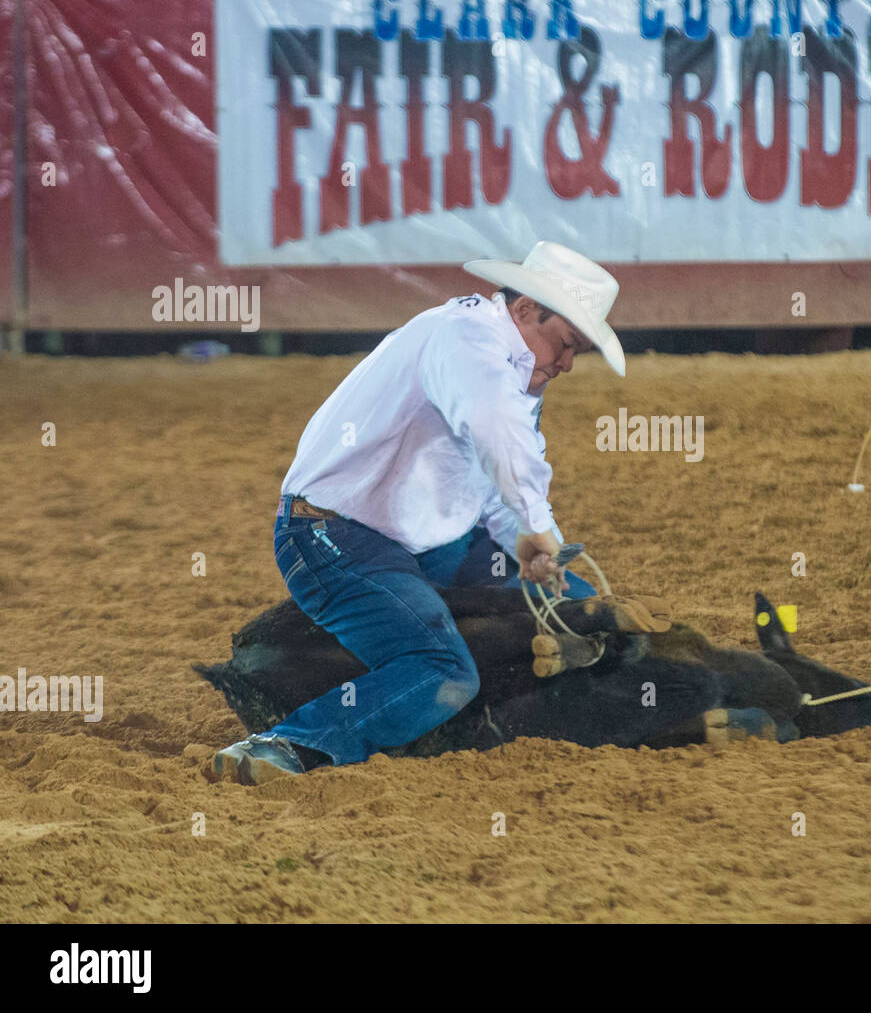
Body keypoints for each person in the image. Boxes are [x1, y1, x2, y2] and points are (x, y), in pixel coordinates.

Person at [213, 241, 626, 785]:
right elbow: (496, 432)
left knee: (581, 611)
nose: (568, 364)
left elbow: (492, 478)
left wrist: (529, 545)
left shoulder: (503, 367)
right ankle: (288, 744)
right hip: (332, 535)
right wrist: (537, 527)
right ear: (525, 310)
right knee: (443, 669)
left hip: (426, 542)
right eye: (566, 344)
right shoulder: (465, 339)